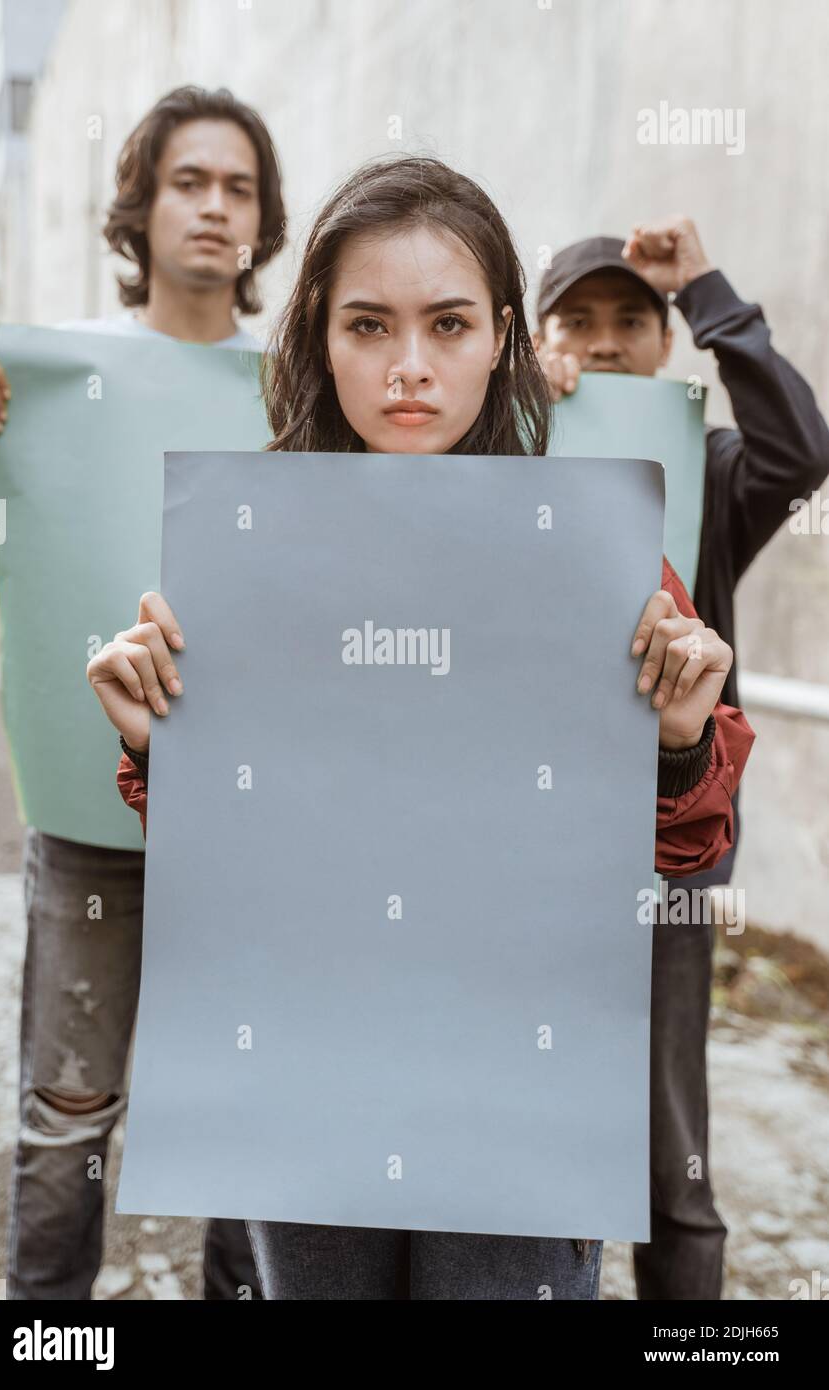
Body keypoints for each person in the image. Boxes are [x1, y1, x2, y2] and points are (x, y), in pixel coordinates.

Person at [86, 156, 755, 1300]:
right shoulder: (245, 554)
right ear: (317, 335)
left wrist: (680, 744)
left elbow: (688, 845)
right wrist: (156, 742)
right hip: (305, 1071)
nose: (407, 368)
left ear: (499, 336)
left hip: (524, 1084)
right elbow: (227, 847)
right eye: (367, 324)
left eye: (445, 324)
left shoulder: (593, 556)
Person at [0, 85, 285, 1300]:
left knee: (246, 1114)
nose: (212, 206)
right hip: (94, 822)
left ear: (262, 220)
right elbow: (6, 586)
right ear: (139, 207)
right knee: (67, 1118)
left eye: (238, 186)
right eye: (188, 181)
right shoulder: (55, 373)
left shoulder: (299, 377)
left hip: (253, 815)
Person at [533, 219, 829, 1299]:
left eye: (630, 321)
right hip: (531, 837)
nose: (605, 345)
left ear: (664, 341)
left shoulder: (704, 469)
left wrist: (706, 291)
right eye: (578, 322)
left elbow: (800, 449)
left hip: (672, 834)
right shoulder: (510, 442)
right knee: (534, 1106)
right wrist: (522, 402)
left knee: (666, 1128)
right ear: (537, 337)